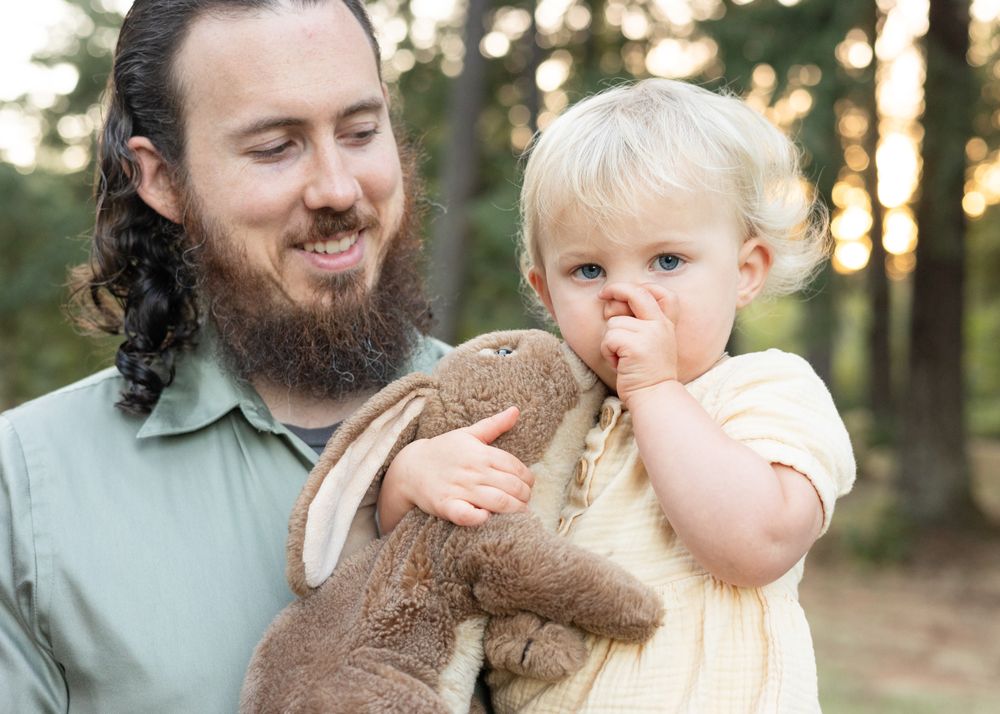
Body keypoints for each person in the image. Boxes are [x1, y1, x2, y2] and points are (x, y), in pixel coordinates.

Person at [0, 1, 532, 711]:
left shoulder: (551, 421)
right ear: (161, 179)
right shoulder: (27, 489)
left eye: (360, 131)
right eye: (275, 147)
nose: (338, 188)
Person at [488, 79, 857, 712]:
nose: (626, 295)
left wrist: (656, 389)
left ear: (745, 272)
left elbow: (758, 543)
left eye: (666, 262)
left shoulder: (767, 389)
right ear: (546, 294)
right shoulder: (547, 415)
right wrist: (417, 483)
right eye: (589, 270)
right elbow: (456, 555)